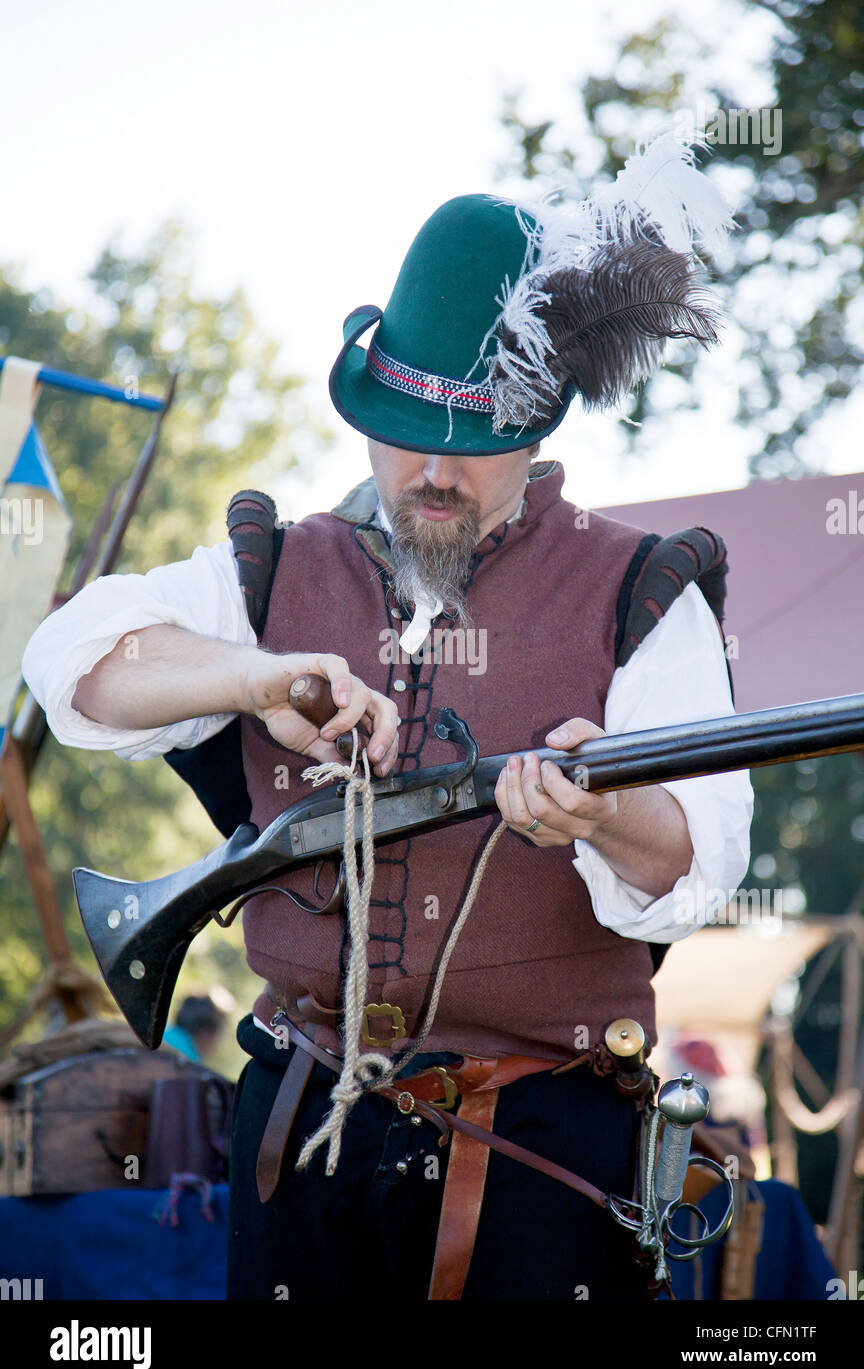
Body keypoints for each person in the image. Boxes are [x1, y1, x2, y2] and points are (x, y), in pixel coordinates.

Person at [23, 133, 753, 1301]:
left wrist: (605, 817)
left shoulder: (637, 590)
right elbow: (73, 664)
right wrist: (252, 680)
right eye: (415, 434)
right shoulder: (274, 570)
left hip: (538, 1153)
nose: (437, 474)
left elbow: (703, 863)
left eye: (477, 445)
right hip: (299, 1134)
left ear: (535, 430)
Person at [163, 994, 225, 1062]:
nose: (216, 1045)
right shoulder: (191, 1063)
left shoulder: (158, 1033)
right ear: (206, 1033)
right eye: (216, 1037)